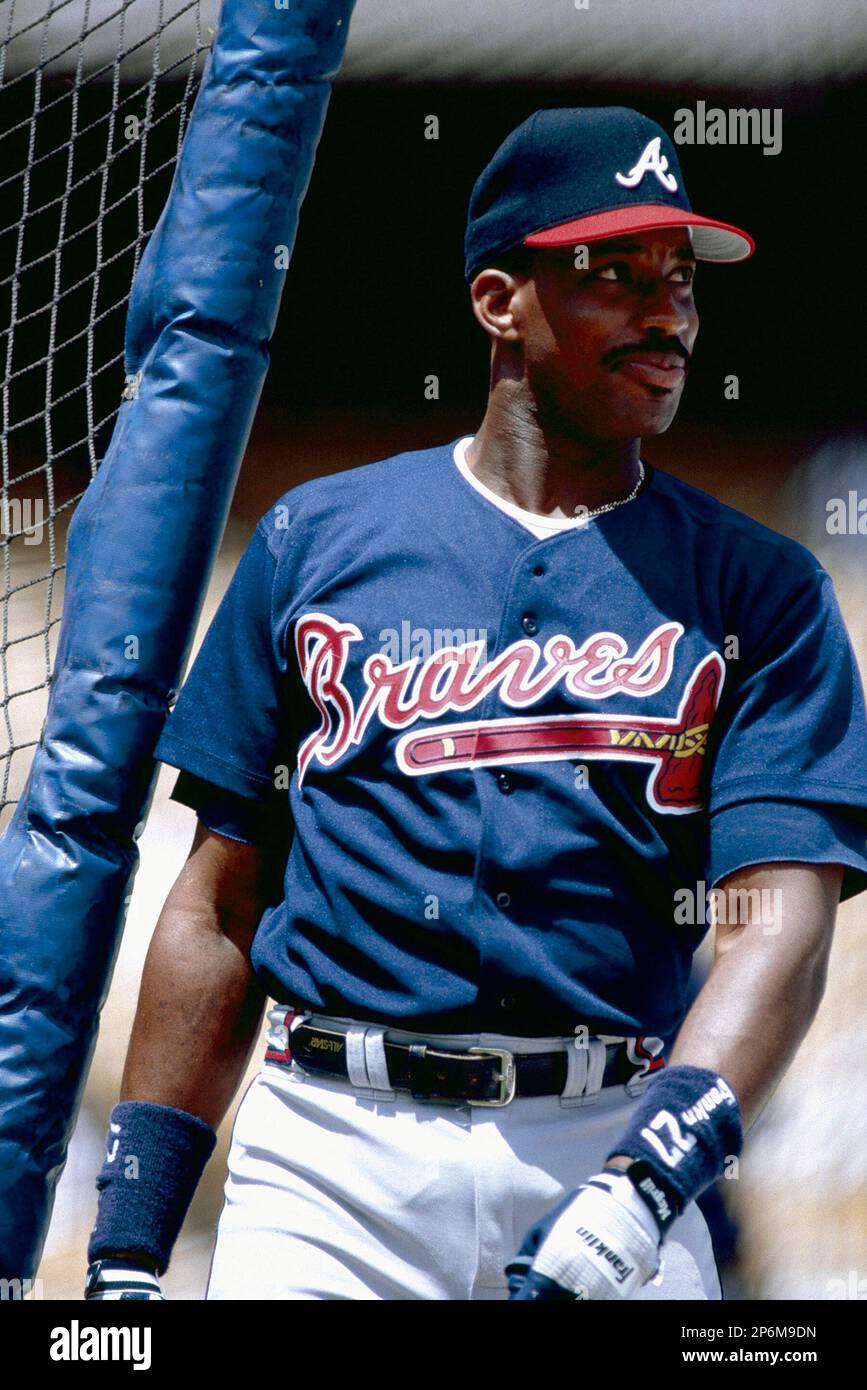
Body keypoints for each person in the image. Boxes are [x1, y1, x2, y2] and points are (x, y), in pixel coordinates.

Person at [84, 106, 867, 1302]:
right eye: (616, 274)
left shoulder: (763, 590)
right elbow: (220, 905)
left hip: (605, 1145)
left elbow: (779, 925)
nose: (669, 313)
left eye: (679, 281)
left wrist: (649, 1184)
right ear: (500, 303)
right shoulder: (315, 541)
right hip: (328, 1161)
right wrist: (130, 1244)